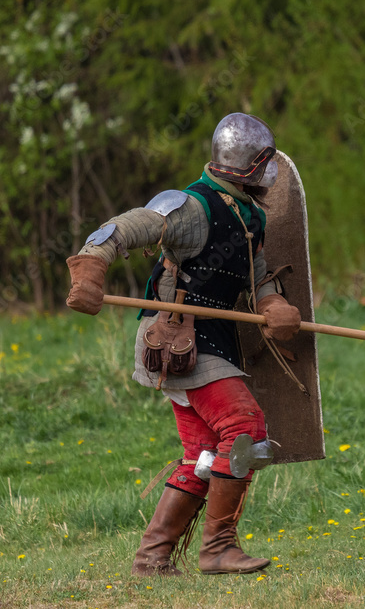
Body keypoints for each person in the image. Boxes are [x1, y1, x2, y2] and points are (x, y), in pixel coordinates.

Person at [65, 113, 301, 576]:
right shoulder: (193, 206)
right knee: (245, 429)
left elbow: (256, 276)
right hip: (178, 338)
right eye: (263, 161)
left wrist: (273, 304)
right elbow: (129, 225)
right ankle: (218, 549)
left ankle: (152, 559)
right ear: (249, 165)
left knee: (202, 455)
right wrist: (91, 265)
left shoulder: (249, 215)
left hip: (216, 341)